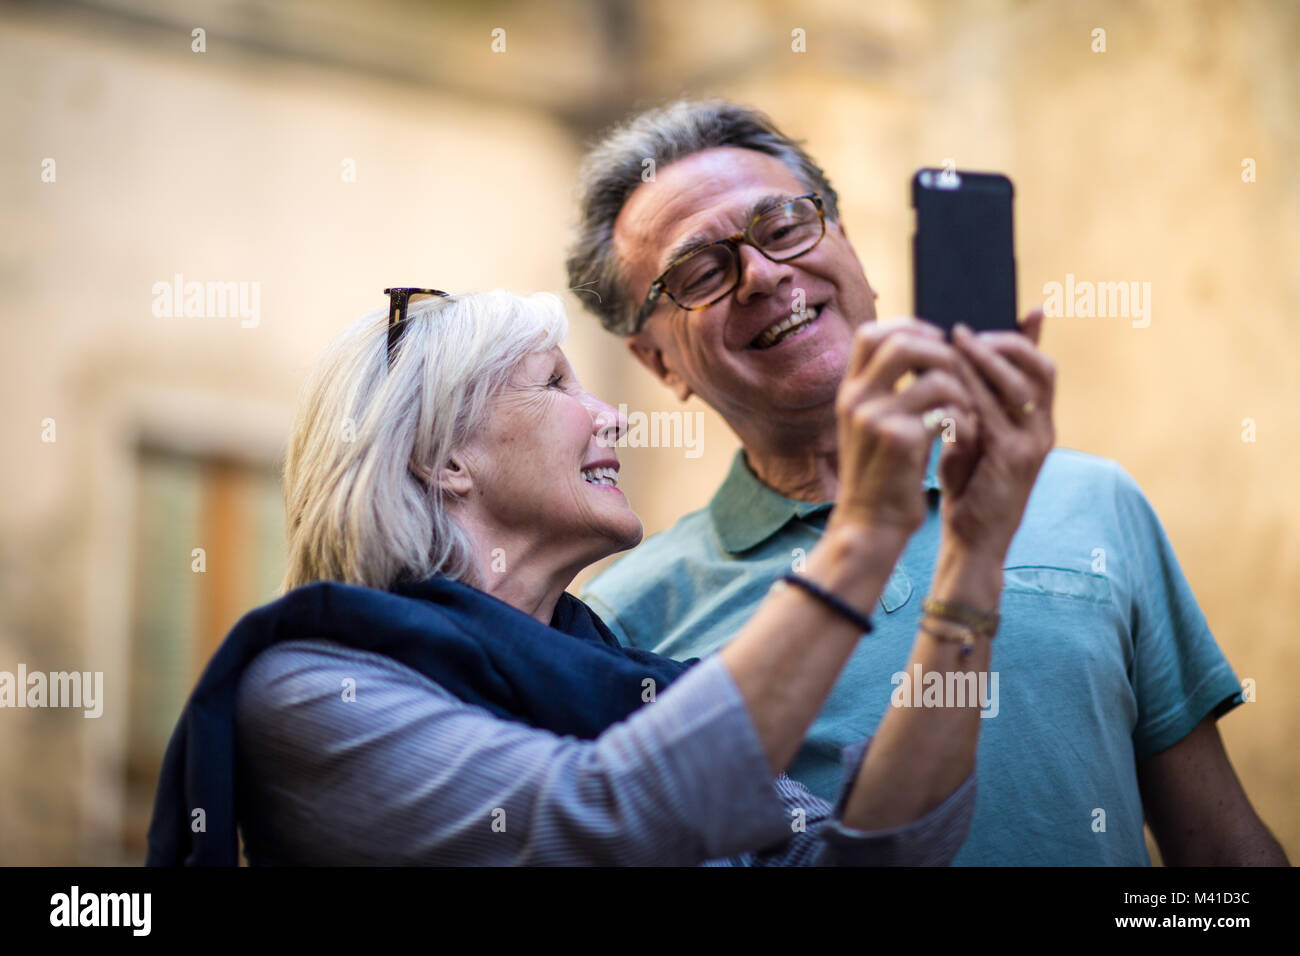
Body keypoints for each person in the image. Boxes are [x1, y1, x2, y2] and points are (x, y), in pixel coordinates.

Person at [566, 99, 1288, 866]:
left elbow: (1222, 851)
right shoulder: (623, 621)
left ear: (849, 247)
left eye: (783, 229)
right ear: (658, 362)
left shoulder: (1090, 499)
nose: (764, 275)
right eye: (702, 271)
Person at [146, 286, 1048, 866]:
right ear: (445, 457)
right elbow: (606, 818)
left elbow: (864, 860)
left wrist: (971, 555)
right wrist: (867, 531)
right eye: (556, 384)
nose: (611, 416)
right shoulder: (313, 692)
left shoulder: (622, 676)